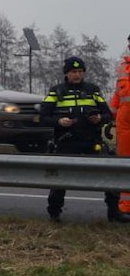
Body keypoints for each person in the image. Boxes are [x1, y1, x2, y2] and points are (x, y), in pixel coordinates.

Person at [40, 56, 128, 223]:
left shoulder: (92, 90)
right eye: (73, 72)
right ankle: (54, 212)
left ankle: (114, 212)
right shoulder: (56, 91)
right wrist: (59, 122)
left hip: (91, 141)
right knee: (60, 180)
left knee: (109, 175)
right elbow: (43, 117)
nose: (77, 75)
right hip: (66, 142)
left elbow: (108, 114)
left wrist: (99, 118)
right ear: (66, 73)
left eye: (80, 72)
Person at [111, 36, 130, 214]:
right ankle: (125, 208)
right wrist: (111, 114)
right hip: (124, 125)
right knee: (124, 165)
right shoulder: (123, 67)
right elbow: (118, 94)